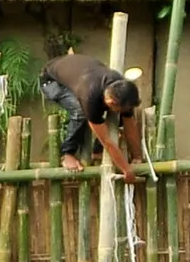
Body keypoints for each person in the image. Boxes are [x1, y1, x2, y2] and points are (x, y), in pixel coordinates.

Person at [41, 52, 143, 181]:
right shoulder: (89, 97)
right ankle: (67, 154)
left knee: (118, 120)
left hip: (79, 71)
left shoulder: (120, 86)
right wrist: (126, 169)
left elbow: (129, 122)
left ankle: (96, 151)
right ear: (111, 102)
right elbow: (107, 140)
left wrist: (137, 157)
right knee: (80, 112)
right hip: (51, 81)